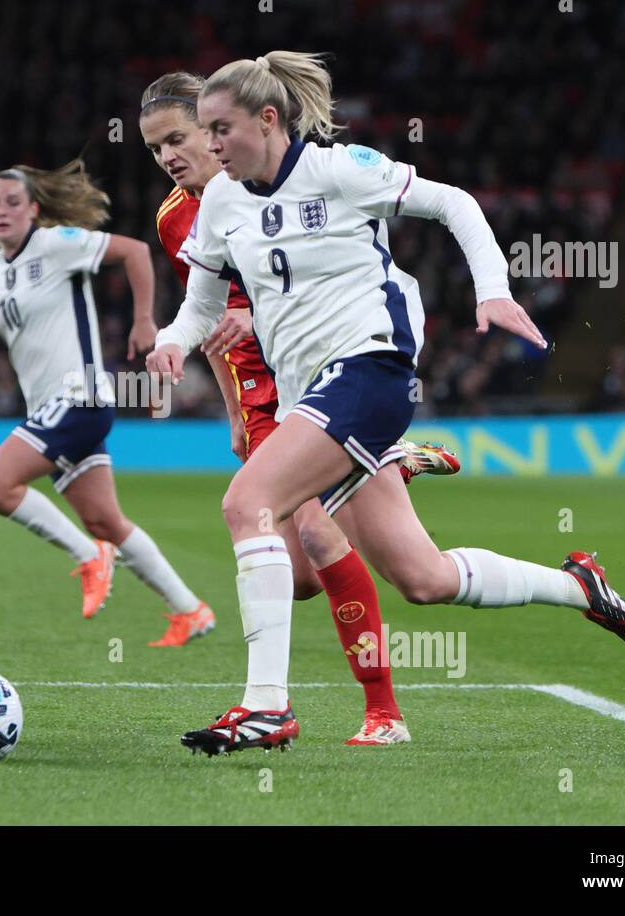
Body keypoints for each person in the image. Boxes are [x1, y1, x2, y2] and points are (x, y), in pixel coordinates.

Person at [146, 51, 625, 756]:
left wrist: (493, 290)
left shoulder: (340, 169)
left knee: (246, 503)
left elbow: (455, 203)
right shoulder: (222, 203)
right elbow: (198, 308)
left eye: (214, 130)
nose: (206, 146)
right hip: (306, 402)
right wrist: (173, 342)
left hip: (370, 369)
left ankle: (267, 708)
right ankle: (578, 586)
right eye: (199, 133)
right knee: (421, 579)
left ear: (266, 118)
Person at [139, 72, 463, 744]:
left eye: (178, 138)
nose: (169, 156)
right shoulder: (178, 219)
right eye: (153, 149)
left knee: (314, 532)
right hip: (260, 395)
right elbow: (206, 320)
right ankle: (386, 463)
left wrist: (255, 325)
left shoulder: (297, 182)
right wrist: (233, 409)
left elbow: (310, 288)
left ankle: (379, 713)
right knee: (301, 580)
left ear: (216, 127)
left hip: (321, 380)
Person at [0, 159, 214, 645]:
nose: (1, 211)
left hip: (80, 395)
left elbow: (133, 251)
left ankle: (89, 556)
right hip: (51, 409)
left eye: (11, 202)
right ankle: (189, 609)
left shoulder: (55, 245)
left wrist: (143, 320)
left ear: (33, 209)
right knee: (105, 520)